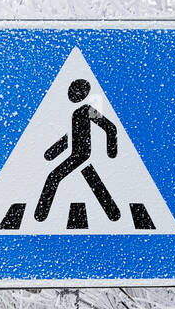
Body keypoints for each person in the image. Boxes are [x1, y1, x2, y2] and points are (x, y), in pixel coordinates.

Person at [34, 79, 121, 223]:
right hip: (78, 154)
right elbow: (72, 137)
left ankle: (40, 215)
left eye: (74, 91)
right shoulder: (77, 112)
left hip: (81, 155)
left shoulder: (87, 110)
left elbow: (110, 128)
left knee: (54, 177)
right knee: (92, 180)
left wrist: (111, 152)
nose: (70, 94)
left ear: (82, 93)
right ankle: (114, 214)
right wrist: (52, 153)